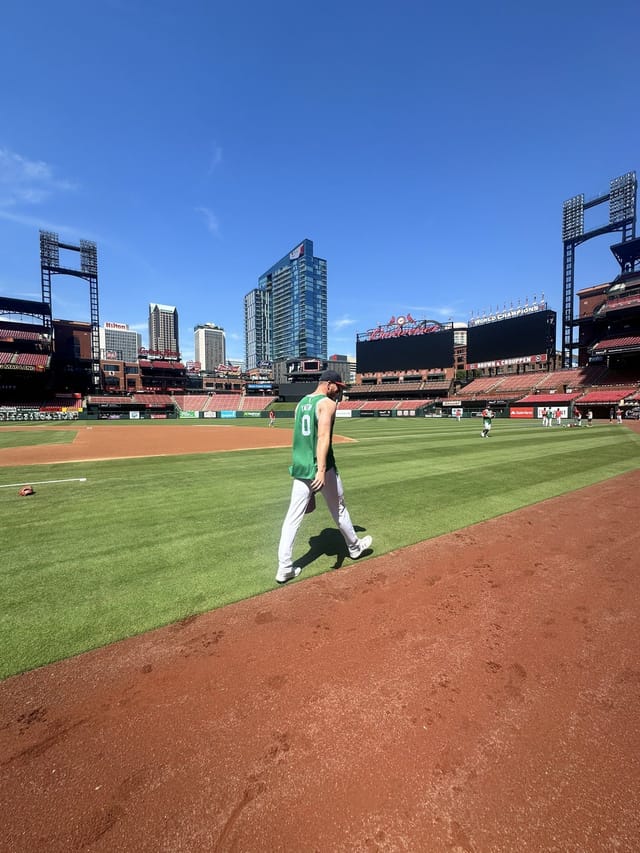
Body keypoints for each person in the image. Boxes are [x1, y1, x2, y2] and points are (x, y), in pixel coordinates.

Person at [276, 370, 373, 584]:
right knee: (338, 509)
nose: (339, 391)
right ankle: (355, 548)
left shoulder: (301, 403)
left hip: (301, 467)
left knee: (292, 518)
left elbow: (299, 438)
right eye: (338, 386)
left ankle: (284, 568)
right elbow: (322, 438)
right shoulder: (328, 404)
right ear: (328, 384)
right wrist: (320, 470)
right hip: (322, 468)